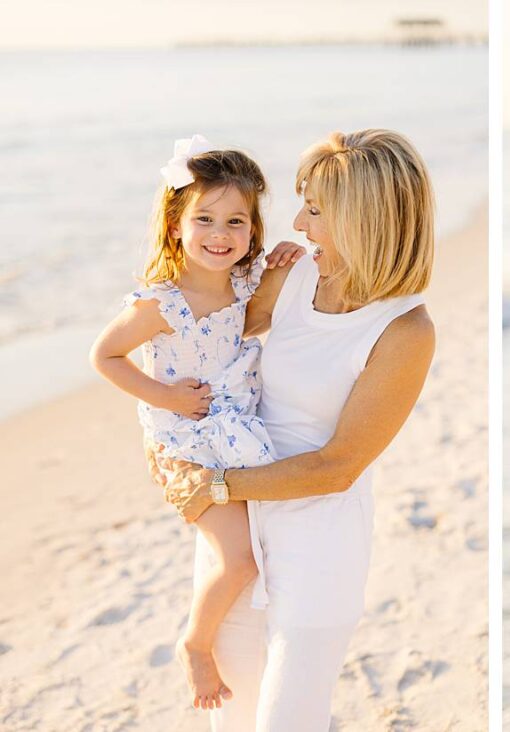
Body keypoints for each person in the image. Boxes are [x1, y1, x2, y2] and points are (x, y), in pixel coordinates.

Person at [149, 129, 437, 731]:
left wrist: (217, 485)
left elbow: (338, 467)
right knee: (231, 718)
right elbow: (200, 340)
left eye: (316, 210)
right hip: (238, 531)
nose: (300, 224)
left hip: (318, 542)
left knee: (289, 720)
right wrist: (163, 441)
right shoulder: (294, 275)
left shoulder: (404, 330)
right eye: (304, 205)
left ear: (365, 219)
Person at [89, 136, 305, 710]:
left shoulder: (242, 282)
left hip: (232, 430)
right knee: (240, 560)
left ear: (253, 230)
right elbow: (104, 356)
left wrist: (283, 259)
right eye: (204, 219)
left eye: (236, 221)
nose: (220, 234)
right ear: (175, 225)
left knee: (270, 538)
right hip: (182, 447)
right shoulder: (162, 303)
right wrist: (164, 394)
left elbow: (256, 319)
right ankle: (195, 644)